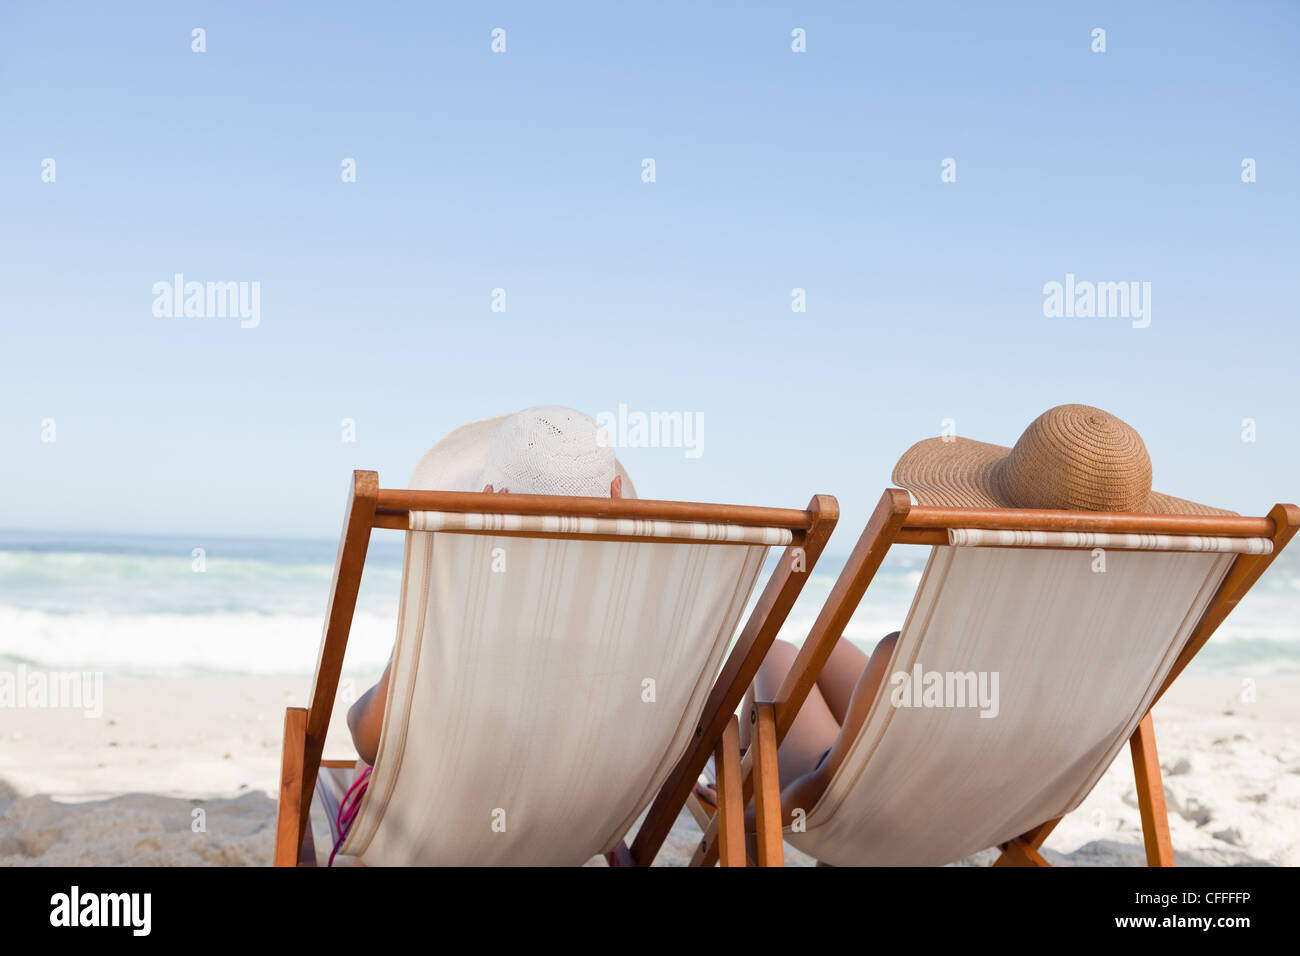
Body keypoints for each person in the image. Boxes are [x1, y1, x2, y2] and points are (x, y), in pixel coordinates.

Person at [703, 403, 1231, 843]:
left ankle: (744, 794)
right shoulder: (1118, 664)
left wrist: (744, 824)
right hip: (998, 810)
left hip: (876, 819)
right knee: (829, 647)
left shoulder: (906, 661)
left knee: (774, 653)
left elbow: (824, 792)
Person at [346, 406, 629, 765]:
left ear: (487, 498)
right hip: (586, 817)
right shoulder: (639, 609)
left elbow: (371, 742)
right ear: (617, 492)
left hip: (443, 816)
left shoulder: (461, 605)